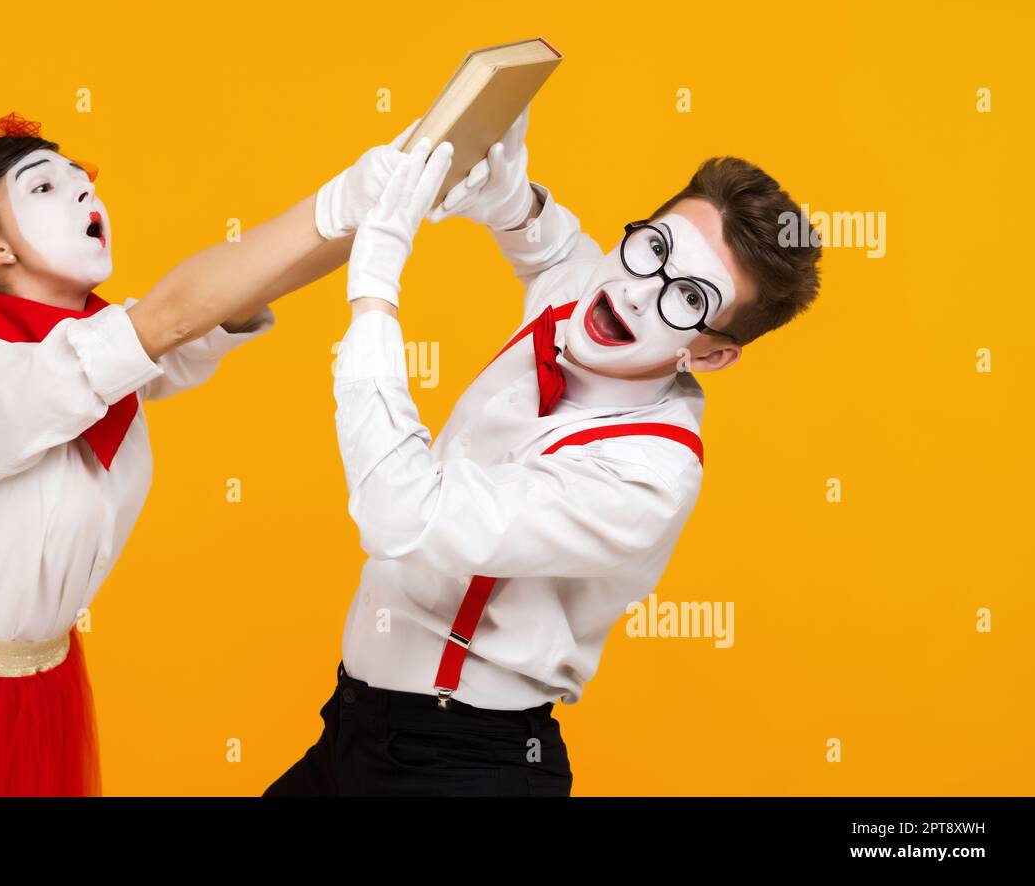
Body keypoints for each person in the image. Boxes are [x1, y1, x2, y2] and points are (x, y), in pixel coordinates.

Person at [0, 111, 413, 795]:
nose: (86, 194)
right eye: (45, 188)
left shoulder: (105, 347)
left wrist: (392, 197)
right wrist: (343, 197)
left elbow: (236, 289)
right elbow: (168, 318)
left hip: (39, 687)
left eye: (81, 181)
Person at [265, 110, 822, 796]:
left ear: (710, 354)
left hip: (463, 765)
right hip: (353, 726)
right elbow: (558, 253)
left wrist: (375, 290)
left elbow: (403, 513)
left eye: (687, 298)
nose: (637, 293)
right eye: (654, 250)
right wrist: (506, 192)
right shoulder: (596, 288)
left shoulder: (646, 477)